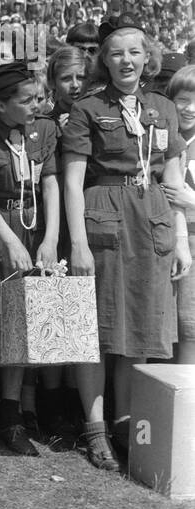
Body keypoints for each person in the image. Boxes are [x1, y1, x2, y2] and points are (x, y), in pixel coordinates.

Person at [61, 26, 191, 470]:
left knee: (137, 330)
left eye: (135, 52)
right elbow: (74, 183)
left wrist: (181, 242)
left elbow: (173, 182)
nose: (126, 61)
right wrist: (77, 242)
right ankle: (95, 430)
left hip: (151, 218)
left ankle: (126, 425)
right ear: (105, 61)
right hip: (104, 216)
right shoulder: (87, 109)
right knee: (95, 329)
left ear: (148, 58)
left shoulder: (165, 108)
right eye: (116, 54)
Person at [0, 63, 61, 457]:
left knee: (22, 326)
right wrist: (9, 242)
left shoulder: (45, 131)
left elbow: (50, 181)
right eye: (25, 101)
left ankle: (12, 414)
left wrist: (50, 239)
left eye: (37, 98)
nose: (35, 106)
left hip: (34, 228)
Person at [164, 64, 195, 364]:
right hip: (162, 238)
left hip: (193, 239)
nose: (190, 108)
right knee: (166, 325)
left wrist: (191, 200)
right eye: (183, 99)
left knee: (190, 326)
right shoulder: (161, 137)